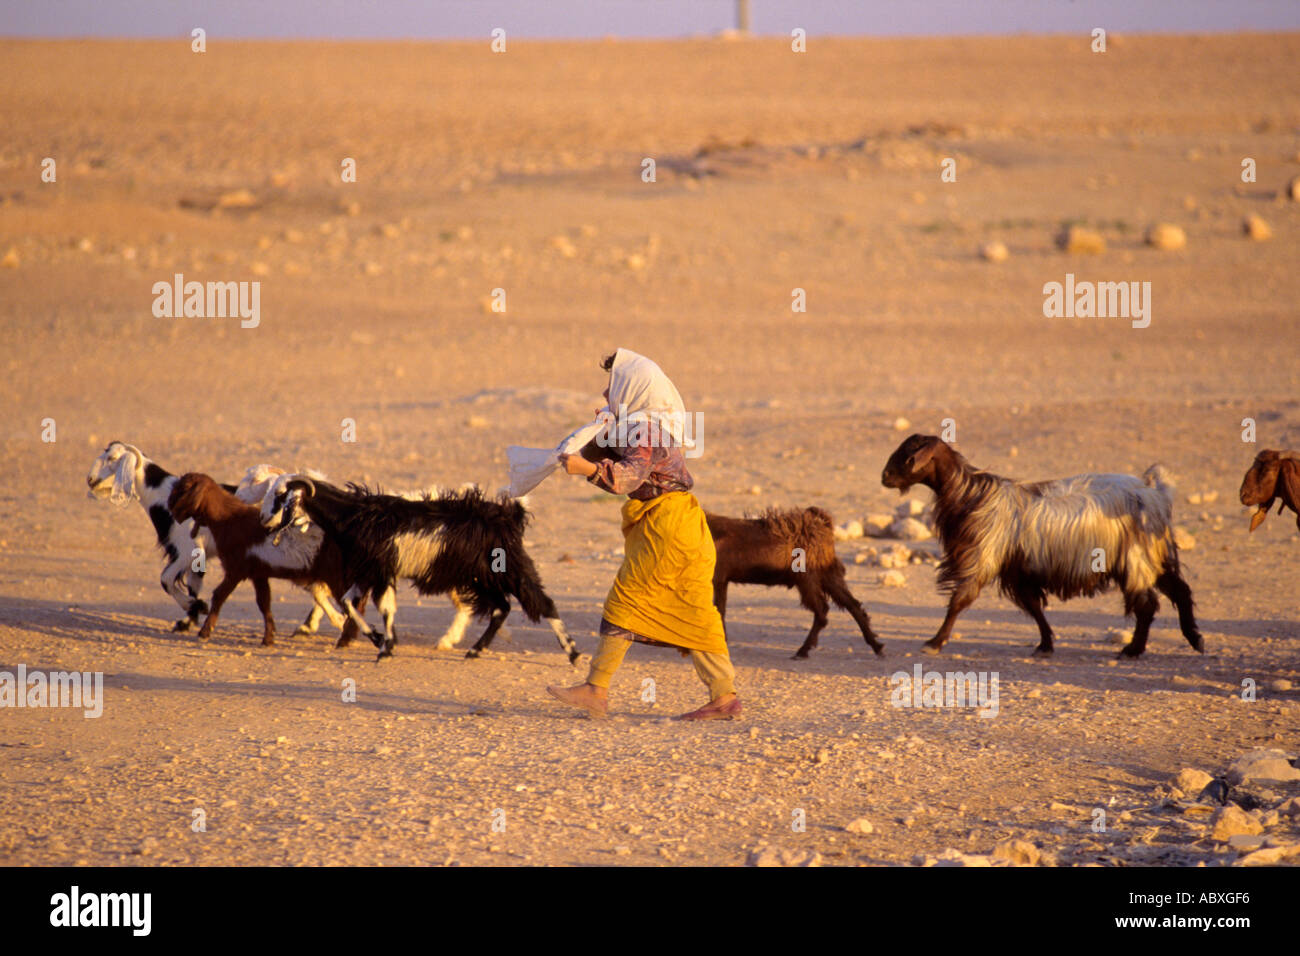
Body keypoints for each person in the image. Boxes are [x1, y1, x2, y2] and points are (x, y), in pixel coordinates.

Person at [546, 348, 741, 720]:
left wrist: (581, 468)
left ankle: (595, 688)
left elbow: (625, 478)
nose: (606, 394)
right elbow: (604, 454)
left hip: (666, 529)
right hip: (682, 526)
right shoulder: (642, 425)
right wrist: (598, 435)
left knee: (626, 598)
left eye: (612, 386)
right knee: (697, 611)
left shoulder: (646, 430)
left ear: (633, 388)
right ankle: (724, 698)